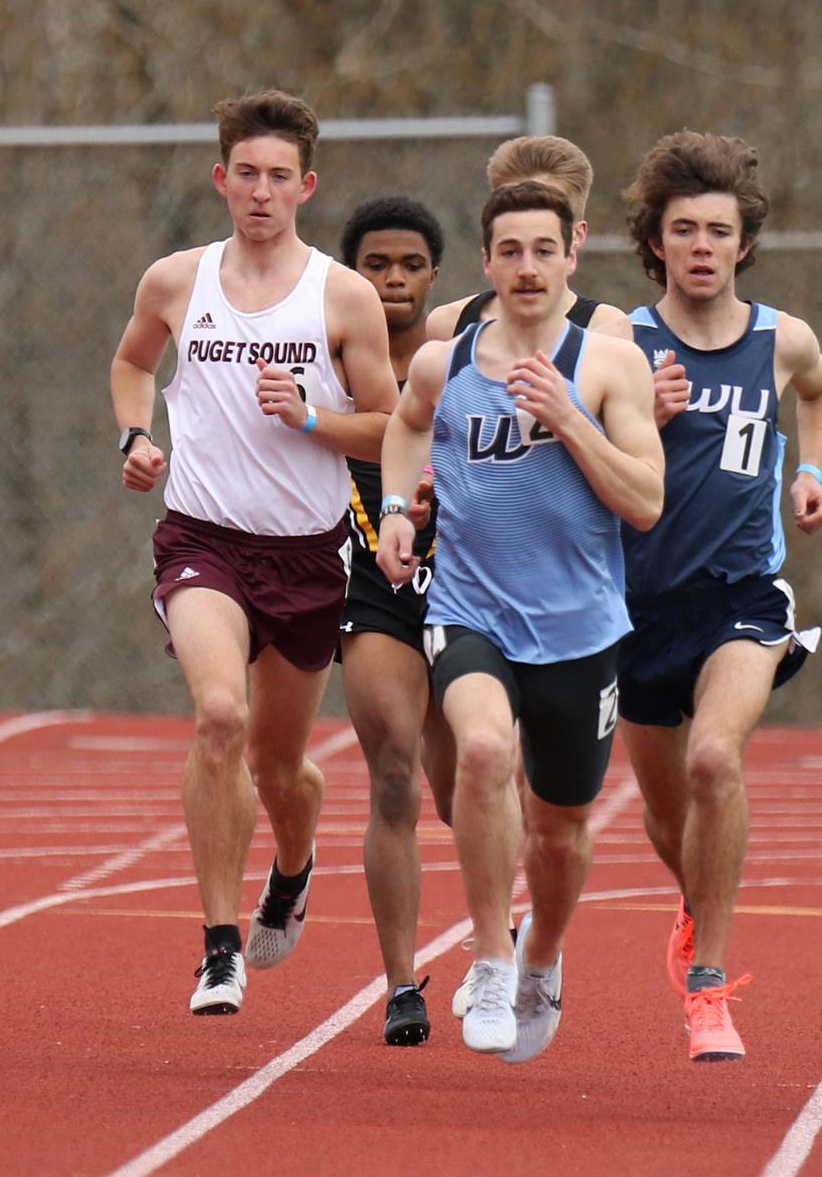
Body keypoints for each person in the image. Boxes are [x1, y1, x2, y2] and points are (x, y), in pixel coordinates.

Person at [109, 90, 398, 1016]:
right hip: (202, 540)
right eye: (247, 174)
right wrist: (133, 437)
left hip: (309, 554)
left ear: (306, 186)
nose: (262, 191)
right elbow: (132, 365)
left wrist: (310, 415)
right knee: (219, 718)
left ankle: (294, 863)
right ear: (220, 178)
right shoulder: (174, 281)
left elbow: (391, 430)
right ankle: (219, 943)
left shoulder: (343, 296)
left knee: (280, 768)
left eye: (280, 176)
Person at [377, 181, 664, 1062]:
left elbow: (646, 501)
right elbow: (405, 423)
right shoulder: (445, 361)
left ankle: (541, 953)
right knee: (485, 752)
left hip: (580, 629)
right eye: (511, 250)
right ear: (488, 261)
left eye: (545, 249)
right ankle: (493, 955)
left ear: (572, 254)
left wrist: (569, 418)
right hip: (470, 610)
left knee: (561, 830)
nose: (528, 267)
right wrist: (396, 507)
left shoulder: (610, 364)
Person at [614, 131, 822, 1062]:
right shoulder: (622, 342)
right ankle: (691, 898)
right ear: (656, 243)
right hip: (632, 608)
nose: (702, 246)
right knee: (668, 815)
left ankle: (709, 987)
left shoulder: (781, 339)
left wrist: (814, 468)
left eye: (719, 230)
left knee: (715, 760)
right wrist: (639, 417)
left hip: (741, 597)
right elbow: (577, 456)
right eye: (684, 230)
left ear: (744, 243)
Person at [333, 195, 453, 1045]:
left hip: (468, 584)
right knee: (392, 774)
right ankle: (402, 981)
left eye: (411, 264)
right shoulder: (329, 364)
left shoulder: (461, 363)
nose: (395, 279)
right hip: (372, 590)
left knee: (469, 781)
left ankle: (495, 935)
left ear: (436, 276)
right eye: (377, 264)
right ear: (352, 275)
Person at [425, 135, 631, 343]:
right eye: (514, 207)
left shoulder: (605, 329)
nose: (529, 220)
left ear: (576, 235)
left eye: (550, 209)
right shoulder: (449, 325)